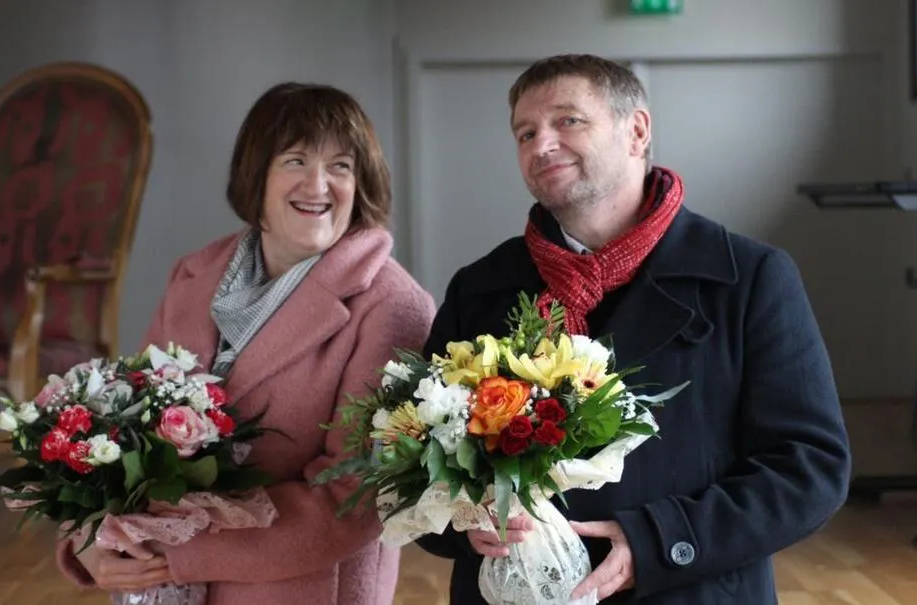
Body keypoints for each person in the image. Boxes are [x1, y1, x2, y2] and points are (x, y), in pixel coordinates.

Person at [414, 54, 852, 604]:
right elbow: (420, 466)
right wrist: (462, 524)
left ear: (637, 131)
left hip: (688, 590)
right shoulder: (480, 288)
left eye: (568, 120)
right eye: (524, 133)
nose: (541, 144)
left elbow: (809, 469)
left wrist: (657, 542)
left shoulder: (749, 278)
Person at [55, 81, 437, 604]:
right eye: (296, 160)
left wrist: (177, 548)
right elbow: (125, 433)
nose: (318, 184)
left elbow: (355, 497)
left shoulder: (394, 307)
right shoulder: (194, 274)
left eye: (341, 166)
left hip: (300, 589)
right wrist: (96, 541)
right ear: (255, 174)